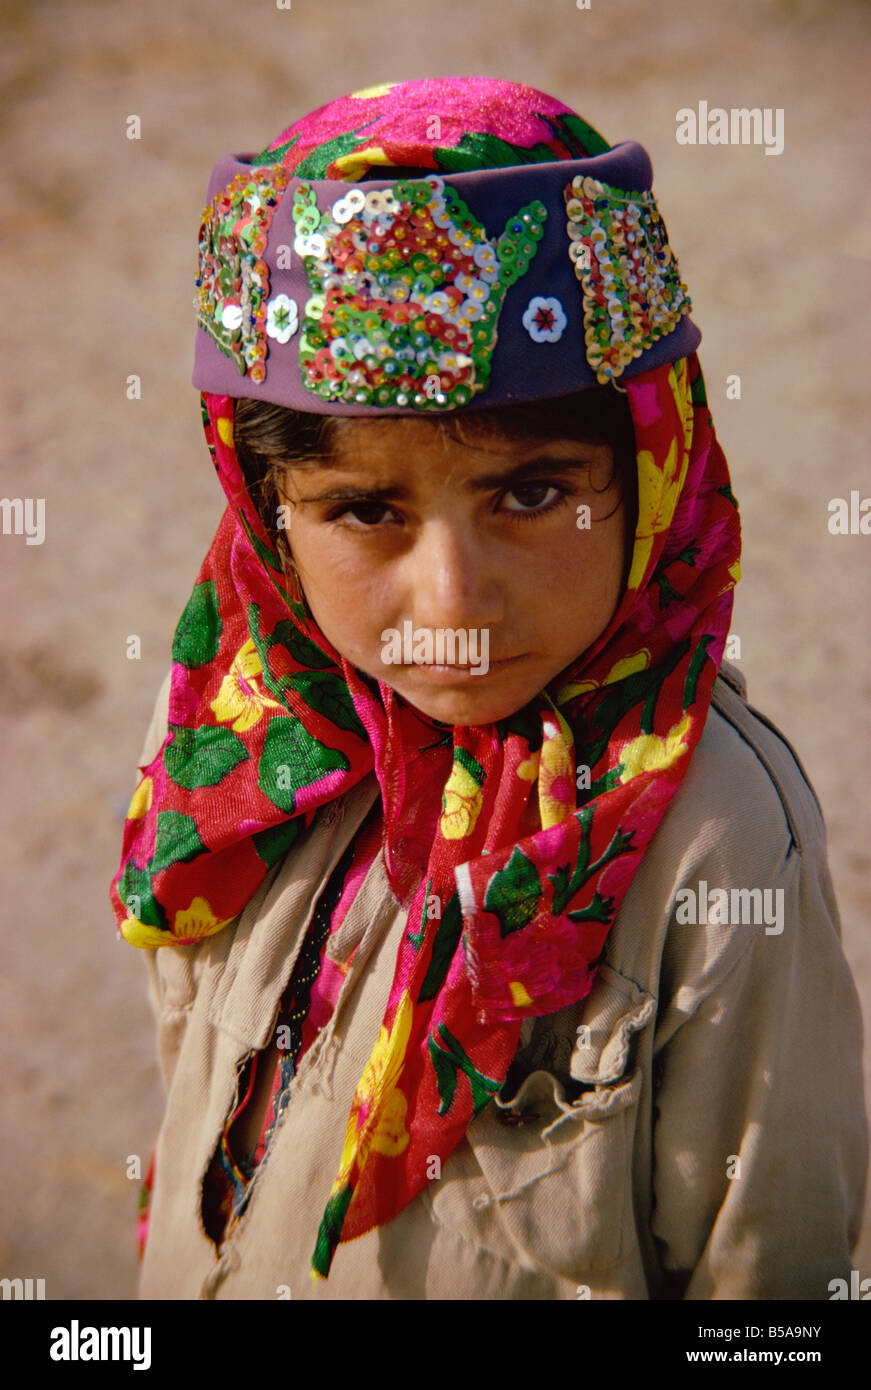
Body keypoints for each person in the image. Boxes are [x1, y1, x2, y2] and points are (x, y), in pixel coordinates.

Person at [112, 77, 867, 1300]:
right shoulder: (233, 734)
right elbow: (190, 1079)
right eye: (365, 509)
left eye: (529, 493)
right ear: (266, 512)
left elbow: (767, 1273)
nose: (455, 598)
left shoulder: (716, 841)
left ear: (654, 464)